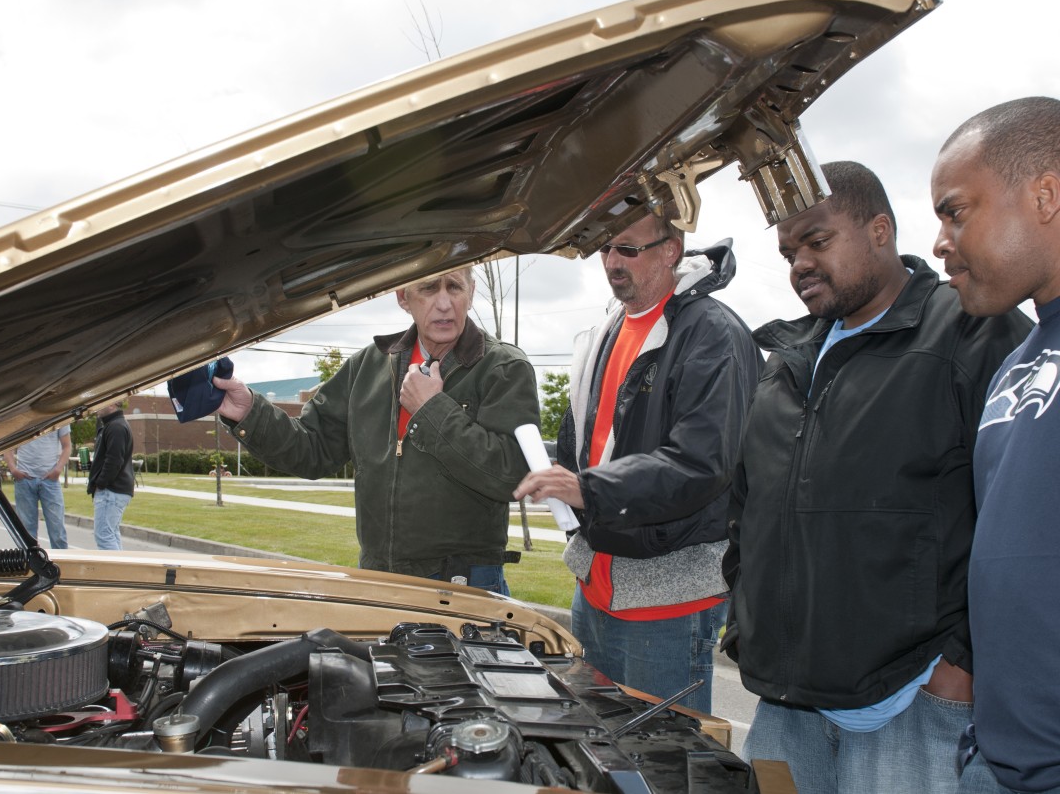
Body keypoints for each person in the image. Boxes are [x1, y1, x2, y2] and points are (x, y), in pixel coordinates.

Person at [723, 161, 1032, 794]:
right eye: (788, 252)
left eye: (818, 241)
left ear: (880, 230)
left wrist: (960, 664)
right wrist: (746, 619)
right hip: (786, 705)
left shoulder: (974, 330)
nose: (800, 264)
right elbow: (749, 508)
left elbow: (1022, 516)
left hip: (912, 707)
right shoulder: (785, 360)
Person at [512, 210, 761, 714]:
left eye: (627, 248)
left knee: (663, 760)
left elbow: (701, 462)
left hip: (667, 600)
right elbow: (591, 441)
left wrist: (591, 489)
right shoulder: (609, 328)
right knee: (601, 750)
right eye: (605, 247)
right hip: (596, 584)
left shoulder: (713, 333)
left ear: (671, 251)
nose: (611, 261)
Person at [213, 266, 538, 594]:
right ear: (402, 297)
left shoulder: (504, 368)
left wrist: (432, 410)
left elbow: (510, 476)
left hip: (464, 584)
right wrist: (250, 413)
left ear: (470, 292)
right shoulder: (366, 367)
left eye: (454, 287)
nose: (444, 303)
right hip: (377, 579)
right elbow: (312, 450)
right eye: (428, 288)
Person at [931, 97, 1060, 794]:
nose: (941, 240)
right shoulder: (1016, 362)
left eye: (956, 210)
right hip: (997, 760)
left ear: (1046, 195)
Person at [4, 427, 72, 548]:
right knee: (26, 531)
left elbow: (67, 446)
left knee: (57, 529)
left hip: (50, 481)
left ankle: (62, 562)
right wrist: (13, 469)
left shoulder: (58, 415)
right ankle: (31, 563)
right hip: (25, 480)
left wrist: (58, 469)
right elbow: (8, 446)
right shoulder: (24, 417)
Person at [87, 402, 134, 550]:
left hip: (111, 490)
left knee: (104, 535)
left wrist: (100, 483)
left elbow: (114, 460)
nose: (95, 407)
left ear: (112, 404)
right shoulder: (113, 425)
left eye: (100, 403)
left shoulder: (116, 427)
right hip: (115, 490)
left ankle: (113, 572)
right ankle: (120, 570)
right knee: (111, 534)